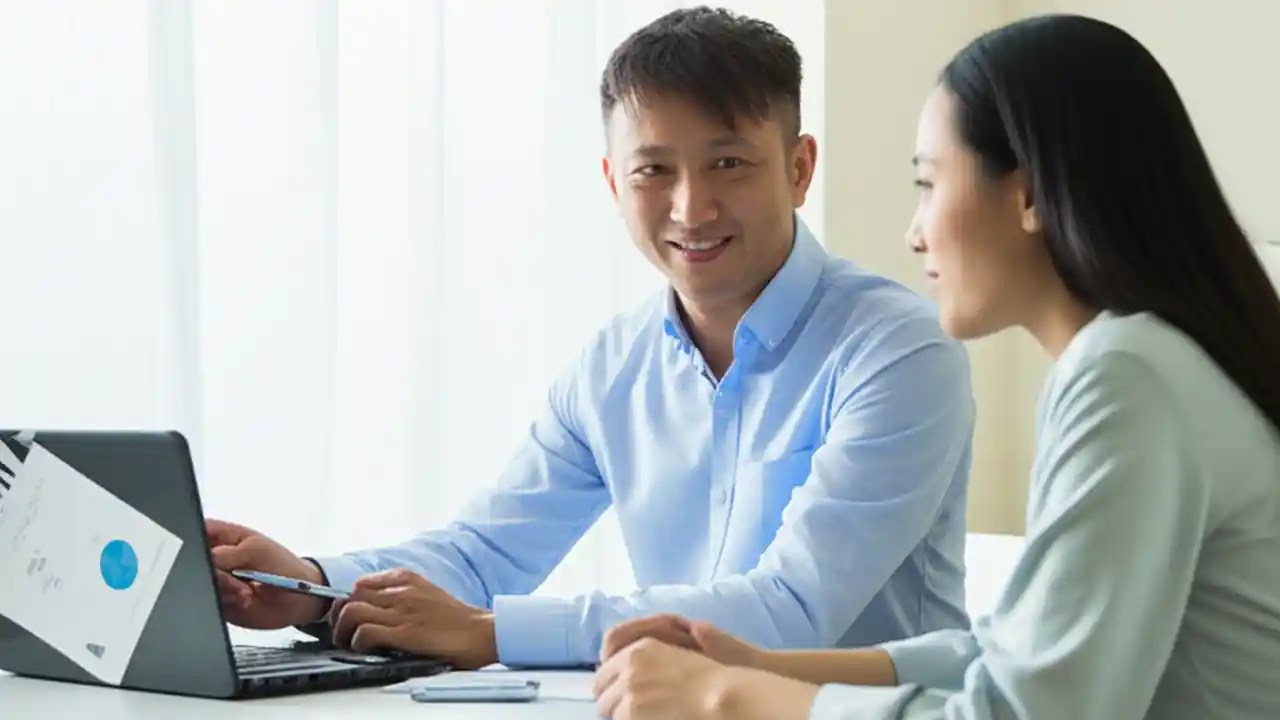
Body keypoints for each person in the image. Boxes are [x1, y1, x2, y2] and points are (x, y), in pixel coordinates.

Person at [206, 7, 975, 670]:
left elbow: (791, 609)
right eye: (654, 171)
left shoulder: (899, 351)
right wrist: (307, 586)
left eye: (729, 163)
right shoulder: (615, 366)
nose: (691, 207)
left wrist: (491, 634)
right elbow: (484, 553)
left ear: (799, 169)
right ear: (613, 184)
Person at [591, 13, 1280, 720]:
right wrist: (760, 663)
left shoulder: (1126, 377)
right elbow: (1009, 651)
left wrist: (730, 694)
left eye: (928, 183)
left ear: (1030, 194)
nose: (913, 232)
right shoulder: (1153, 359)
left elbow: (1023, 711)